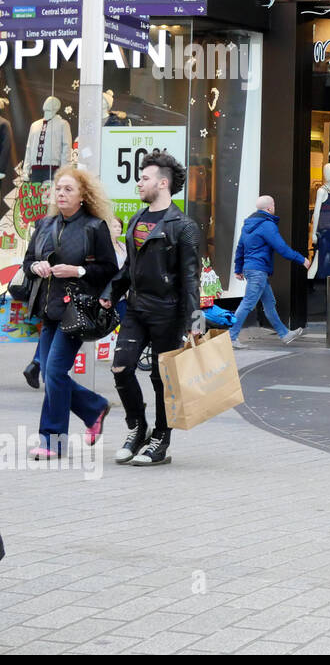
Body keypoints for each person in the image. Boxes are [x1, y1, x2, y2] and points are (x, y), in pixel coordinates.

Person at [99, 152, 203, 466]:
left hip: (168, 312)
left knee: (162, 378)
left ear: (163, 183)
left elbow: (191, 277)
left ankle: (160, 439)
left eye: (145, 178)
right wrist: (111, 291)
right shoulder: (136, 220)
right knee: (121, 368)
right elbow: (129, 267)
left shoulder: (183, 226)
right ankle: (137, 428)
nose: (139, 182)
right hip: (136, 308)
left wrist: (195, 320)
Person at [22, 166, 116, 459]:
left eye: (68, 189)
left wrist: (79, 270)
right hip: (48, 308)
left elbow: (109, 270)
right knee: (51, 375)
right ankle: (94, 408)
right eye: (58, 189)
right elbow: (27, 262)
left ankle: (52, 440)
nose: (61, 194)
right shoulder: (44, 224)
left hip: (76, 310)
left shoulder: (94, 227)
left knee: (53, 372)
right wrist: (35, 266)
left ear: (82, 195)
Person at [229, 195, 308, 349]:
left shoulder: (248, 224)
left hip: (252, 269)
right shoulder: (267, 225)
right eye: (274, 205)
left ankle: (284, 334)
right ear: (269, 208)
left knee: (269, 303)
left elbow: (240, 248)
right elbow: (282, 248)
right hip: (258, 271)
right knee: (247, 303)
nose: (274, 207)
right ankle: (231, 337)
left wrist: (238, 269)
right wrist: (302, 259)